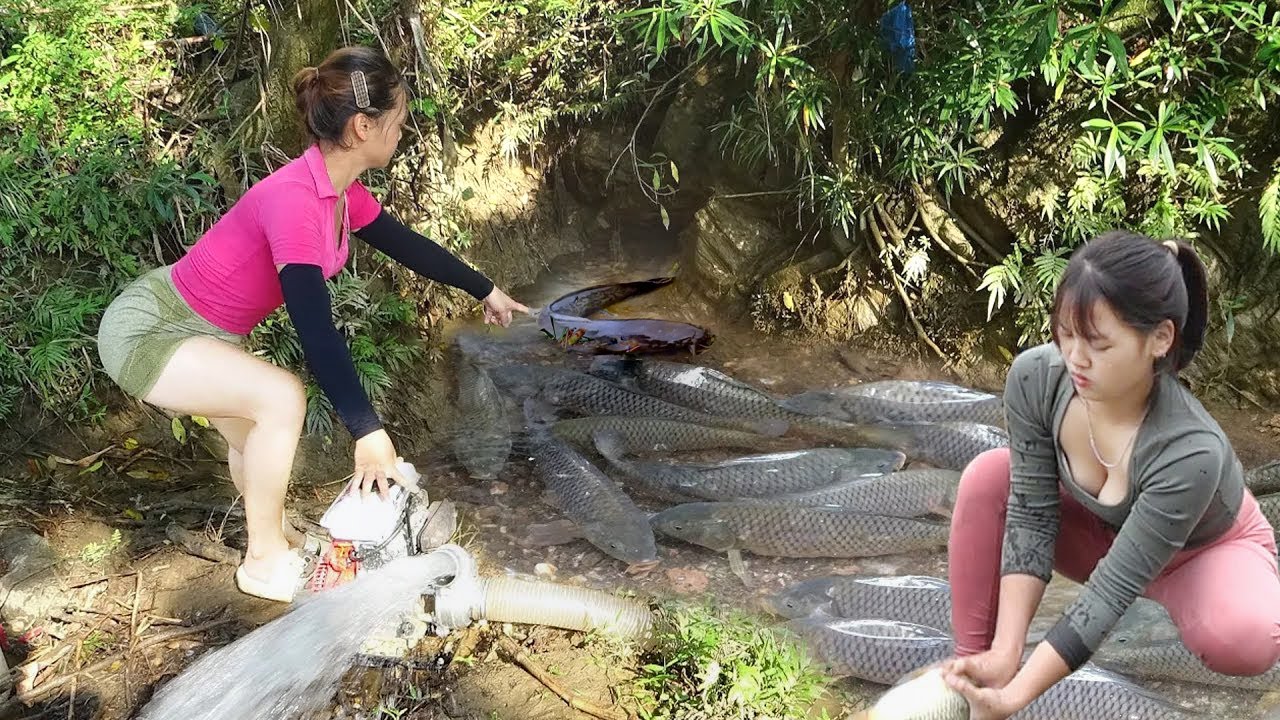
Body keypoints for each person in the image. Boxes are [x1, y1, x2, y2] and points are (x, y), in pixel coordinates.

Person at [96, 46, 529, 603]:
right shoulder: (296, 202)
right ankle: (263, 560)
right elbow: (315, 329)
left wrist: (485, 289)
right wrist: (367, 433)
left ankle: (270, 538)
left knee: (253, 435)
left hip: (202, 333)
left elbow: (406, 246)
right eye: (396, 123)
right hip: (151, 331)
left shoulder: (338, 191)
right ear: (362, 126)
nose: (402, 133)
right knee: (280, 397)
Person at [939, 230, 1280, 718]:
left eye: (1098, 343)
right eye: (1065, 333)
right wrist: (1004, 656)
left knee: (1245, 637)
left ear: (1160, 339)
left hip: (1199, 553)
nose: (1075, 357)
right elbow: (1032, 517)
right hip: (1097, 529)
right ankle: (970, 675)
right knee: (991, 476)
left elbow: (1109, 592)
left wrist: (1016, 700)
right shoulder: (1036, 377)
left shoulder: (1190, 450)